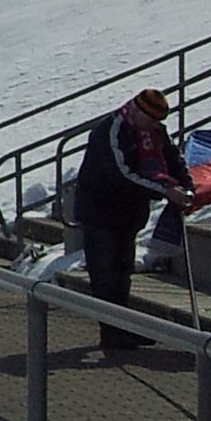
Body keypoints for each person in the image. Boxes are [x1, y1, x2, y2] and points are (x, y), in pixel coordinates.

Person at [71, 87, 193, 353]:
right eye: (149, 120)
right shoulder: (111, 130)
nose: (153, 126)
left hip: (129, 214)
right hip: (99, 212)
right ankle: (110, 331)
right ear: (137, 112)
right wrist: (164, 191)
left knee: (123, 271)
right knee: (104, 273)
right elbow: (122, 174)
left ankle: (121, 326)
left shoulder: (155, 133)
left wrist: (186, 187)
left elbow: (172, 160)